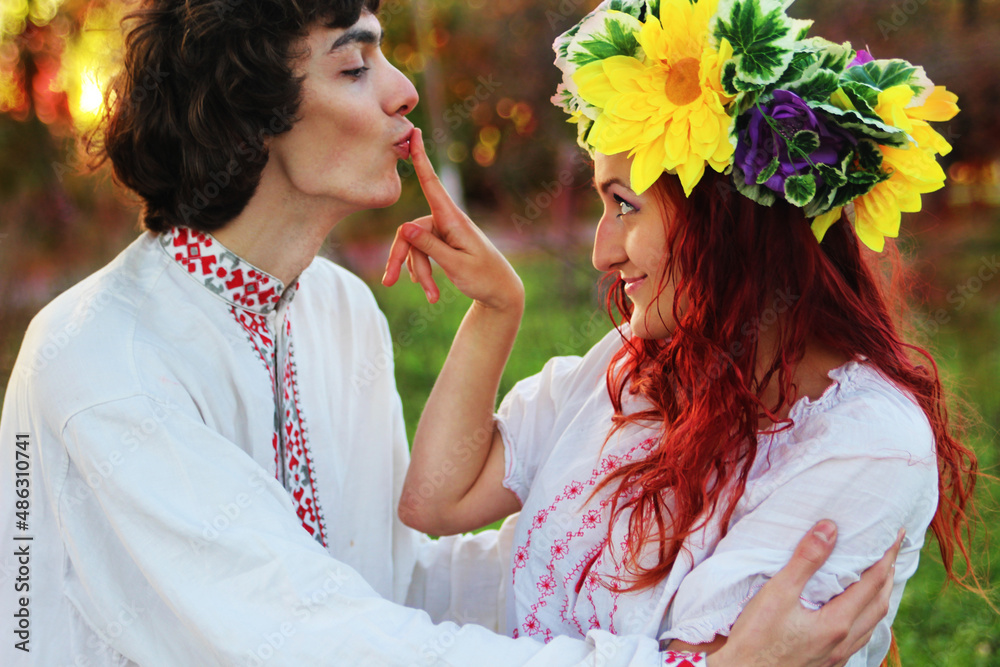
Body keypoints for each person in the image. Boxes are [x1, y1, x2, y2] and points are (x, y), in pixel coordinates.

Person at [0, 0, 903, 664]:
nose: (401, 92)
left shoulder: (337, 311)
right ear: (251, 115)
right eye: (354, 67)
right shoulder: (102, 358)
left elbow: (392, 586)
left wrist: (604, 562)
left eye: (386, 56)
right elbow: (301, 638)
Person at [388, 0, 978, 665]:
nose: (601, 252)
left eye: (624, 205)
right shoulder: (636, 366)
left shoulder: (865, 443)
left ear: (726, 217)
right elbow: (436, 500)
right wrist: (497, 307)